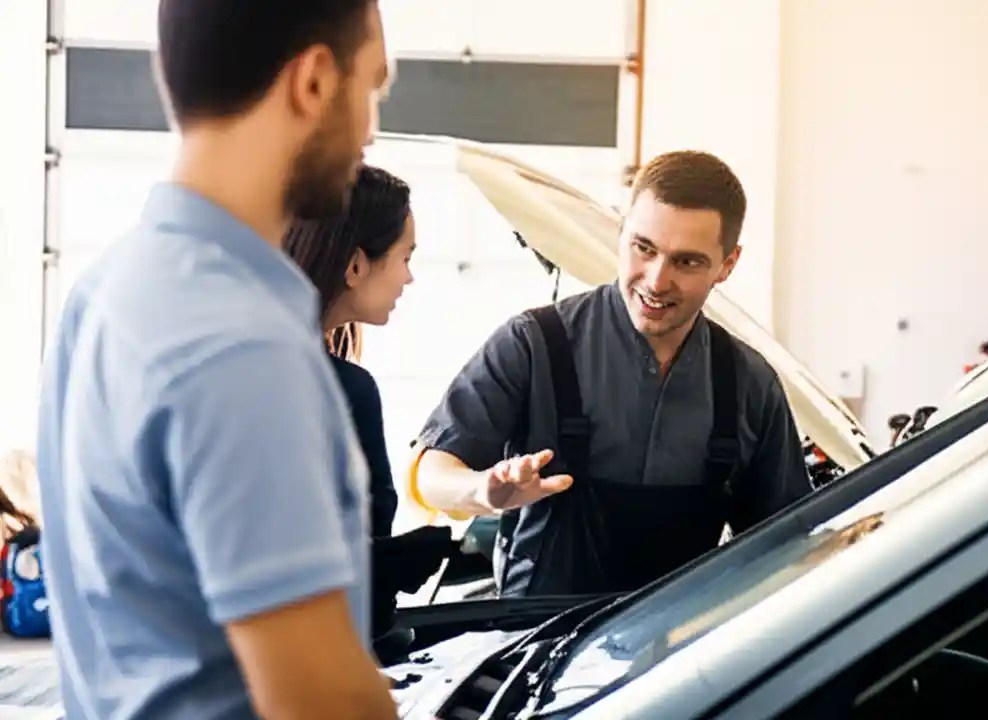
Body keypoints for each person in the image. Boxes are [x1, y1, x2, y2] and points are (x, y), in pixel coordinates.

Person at [34, 2, 399, 718]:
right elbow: (324, 706)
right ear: (316, 82)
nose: (371, 127)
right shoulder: (241, 344)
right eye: (373, 88)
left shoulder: (109, 288)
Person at [412, 150, 815, 597]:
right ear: (622, 232)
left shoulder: (750, 384)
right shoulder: (534, 344)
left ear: (727, 265)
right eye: (644, 248)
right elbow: (432, 475)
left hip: (680, 655)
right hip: (536, 647)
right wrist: (483, 492)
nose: (657, 281)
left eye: (687, 262)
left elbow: (786, 547)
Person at [282, 163, 457, 665]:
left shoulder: (241, 365)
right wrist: (394, 563)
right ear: (356, 265)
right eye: (405, 257)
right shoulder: (343, 390)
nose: (409, 275)